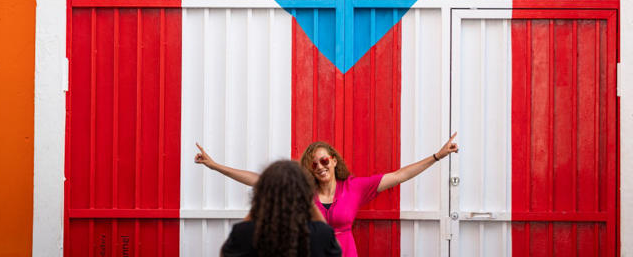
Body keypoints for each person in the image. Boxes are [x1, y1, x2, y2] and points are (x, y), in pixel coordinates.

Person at [196, 133, 459, 257]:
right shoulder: (304, 189)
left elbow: (399, 175)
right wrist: (215, 165)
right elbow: (259, 180)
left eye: (323, 160)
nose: (320, 167)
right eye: (313, 164)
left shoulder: (354, 187)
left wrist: (438, 156)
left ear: (333, 160)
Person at [219, 159, 342, 257]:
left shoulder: (244, 232)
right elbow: (336, 252)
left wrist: (259, 204)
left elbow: (224, 254)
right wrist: (308, 201)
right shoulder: (321, 234)